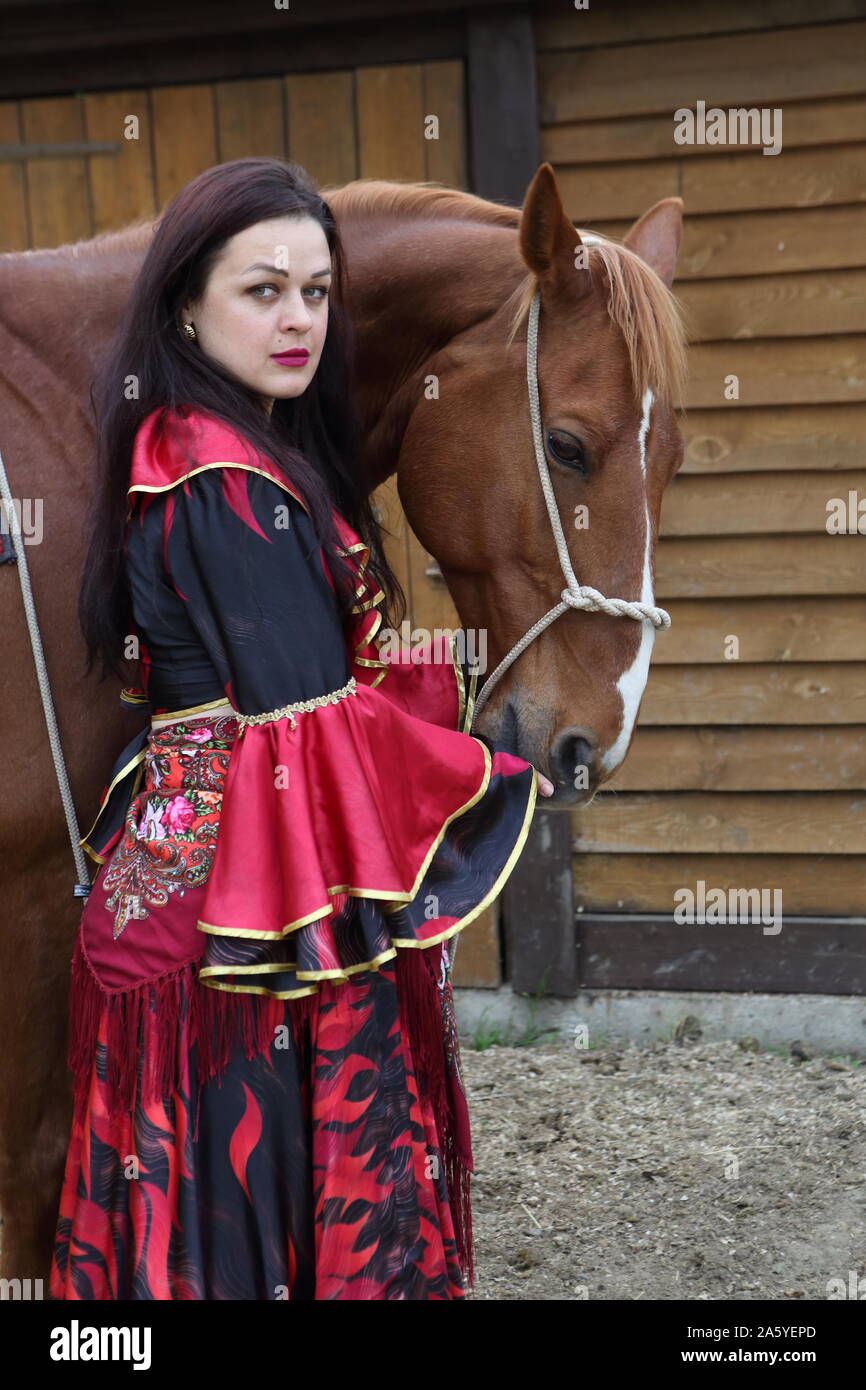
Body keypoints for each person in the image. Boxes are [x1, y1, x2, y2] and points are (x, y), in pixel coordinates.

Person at [49, 157, 553, 1302]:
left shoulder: (226, 450)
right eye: (262, 289)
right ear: (185, 301)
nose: (297, 320)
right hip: (236, 935)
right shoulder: (220, 473)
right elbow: (306, 726)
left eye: (317, 292)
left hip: (226, 907)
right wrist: (482, 770)